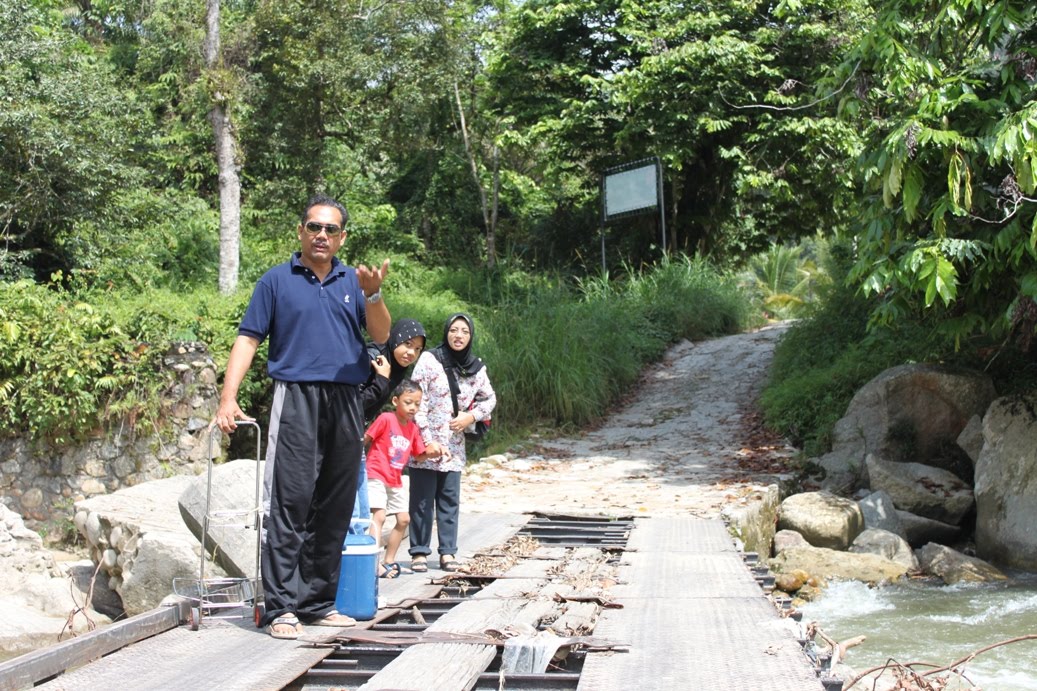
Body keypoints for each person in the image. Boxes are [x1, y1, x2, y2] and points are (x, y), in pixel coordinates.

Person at [213, 194, 390, 640]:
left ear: (342, 237)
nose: (322, 236)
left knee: (334, 505)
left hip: (346, 400)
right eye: (315, 227)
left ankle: (317, 602)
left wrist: (375, 294)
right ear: (301, 231)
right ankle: (281, 607)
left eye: (331, 230)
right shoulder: (275, 281)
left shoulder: (355, 282)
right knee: (290, 502)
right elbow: (248, 339)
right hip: (296, 399)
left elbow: (382, 334)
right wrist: (227, 397)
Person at [408, 313, 496, 573]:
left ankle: (448, 553)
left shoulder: (476, 368)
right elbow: (416, 400)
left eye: (465, 331)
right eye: (454, 330)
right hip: (426, 443)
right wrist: (426, 440)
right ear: (446, 332)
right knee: (422, 501)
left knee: (449, 500)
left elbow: (489, 399)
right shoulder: (429, 360)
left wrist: (471, 416)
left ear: (470, 337)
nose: (459, 335)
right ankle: (419, 552)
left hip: (454, 446)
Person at [350, 319, 432, 532]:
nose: (411, 353)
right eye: (407, 344)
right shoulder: (372, 358)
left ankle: (365, 560)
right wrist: (382, 380)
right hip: (343, 434)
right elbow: (350, 404)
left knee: (361, 509)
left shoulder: (396, 369)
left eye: (417, 349)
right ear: (395, 338)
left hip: (355, 435)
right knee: (353, 508)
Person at [363, 379, 445, 578]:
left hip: (395, 478)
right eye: (408, 402)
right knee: (379, 517)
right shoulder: (386, 419)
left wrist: (433, 453)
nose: (413, 408)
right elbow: (366, 438)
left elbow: (418, 455)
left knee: (404, 519)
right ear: (395, 401)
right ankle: (372, 564)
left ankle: (388, 561)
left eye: (417, 404)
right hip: (376, 473)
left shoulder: (413, 428)